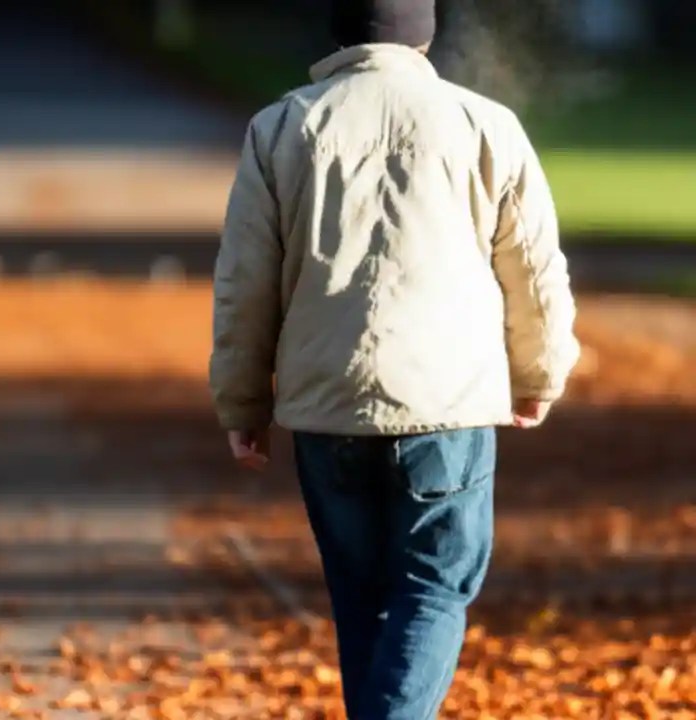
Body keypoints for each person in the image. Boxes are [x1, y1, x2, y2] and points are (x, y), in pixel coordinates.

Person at [207, 0, 580, 717]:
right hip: (447, 403)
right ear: (425, 32)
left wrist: (242, 399)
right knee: (434, 589)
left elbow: (244, 282)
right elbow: (534, 270)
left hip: (327, 403)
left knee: (360, 593)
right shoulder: (484, 124)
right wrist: (540, 372)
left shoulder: (284, 127)